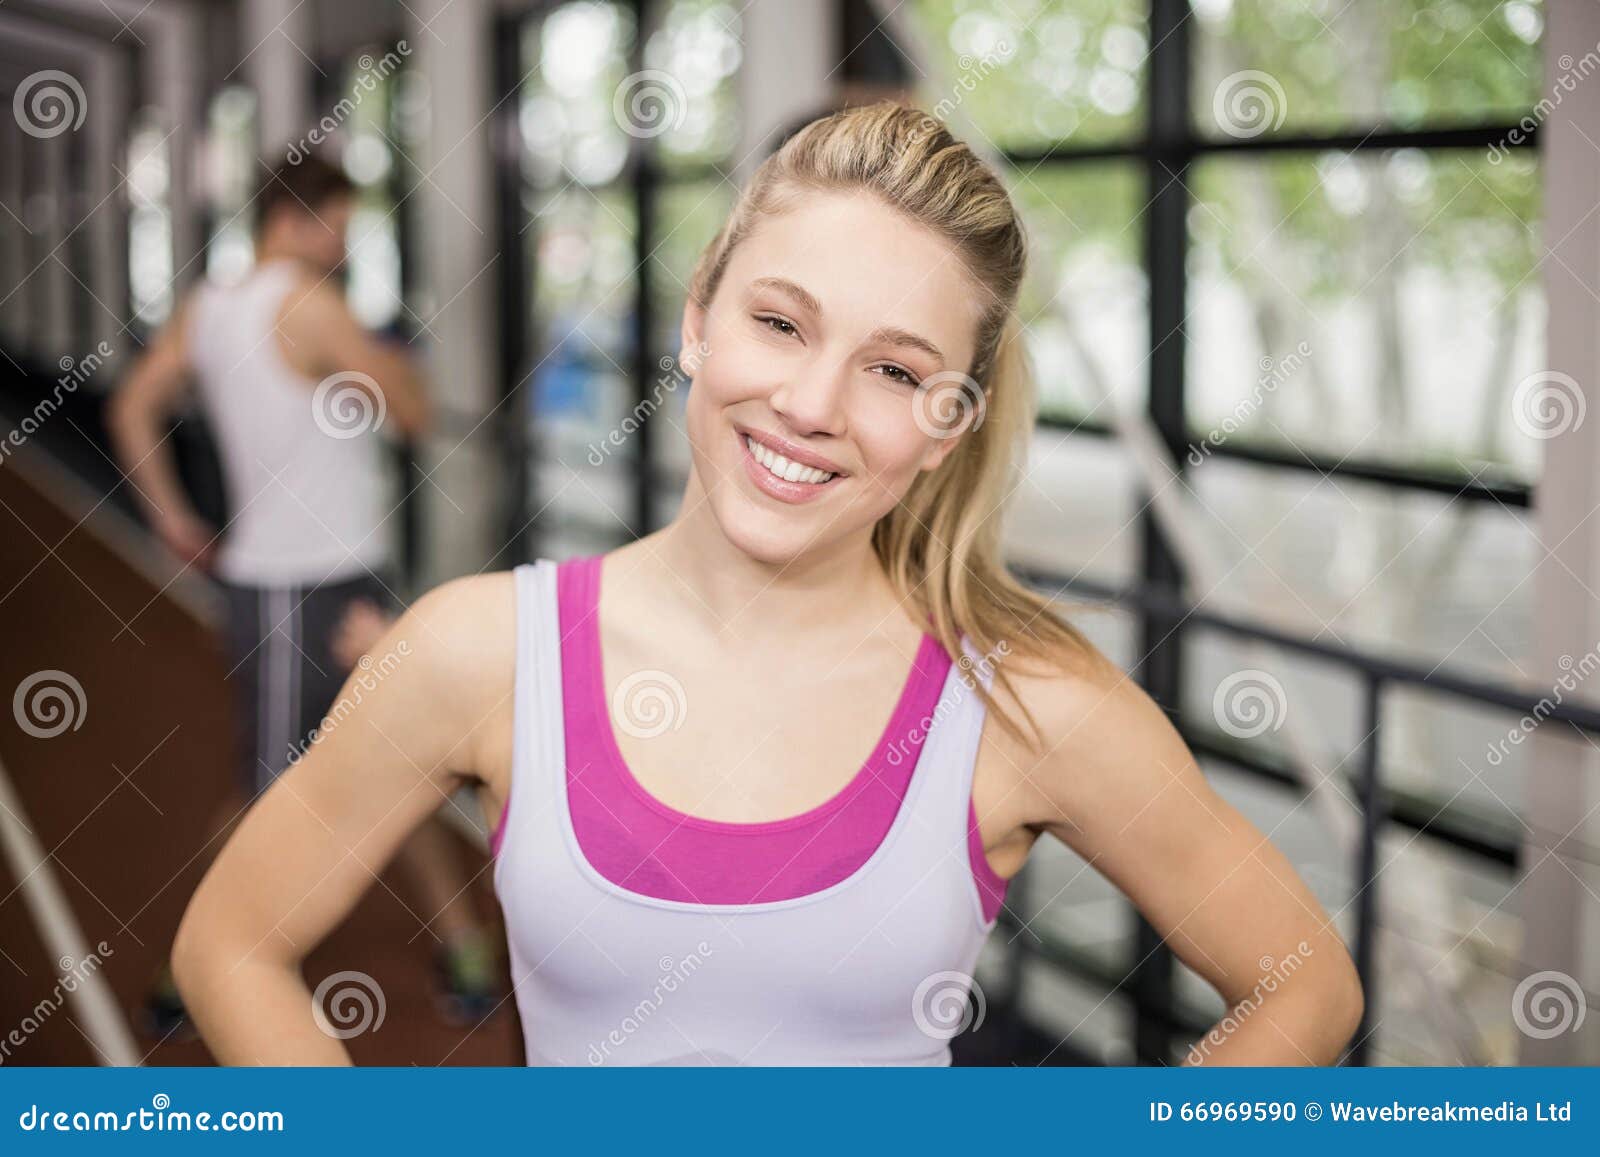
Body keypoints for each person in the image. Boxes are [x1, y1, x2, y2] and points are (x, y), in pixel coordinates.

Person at [169, 104, 1363, 1066]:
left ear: (947, 425)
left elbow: (1304, 980)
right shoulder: (479, 650)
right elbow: (231, 941)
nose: (810, 404)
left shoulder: (1023, 702)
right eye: (781, 323)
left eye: (895, 370)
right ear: (698, 319)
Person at [107, 152, 500, 1041]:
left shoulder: (209, 306)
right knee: (273, 788)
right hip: (297, 589)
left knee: (401, 757)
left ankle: (463, 942)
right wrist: (395, 354)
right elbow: (413, 411)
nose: (343, 244)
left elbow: (132, 406)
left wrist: (172, 517)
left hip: (330, 573)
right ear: (294, 220)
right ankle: (194, 959)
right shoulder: (311, 304)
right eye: (337, 225)